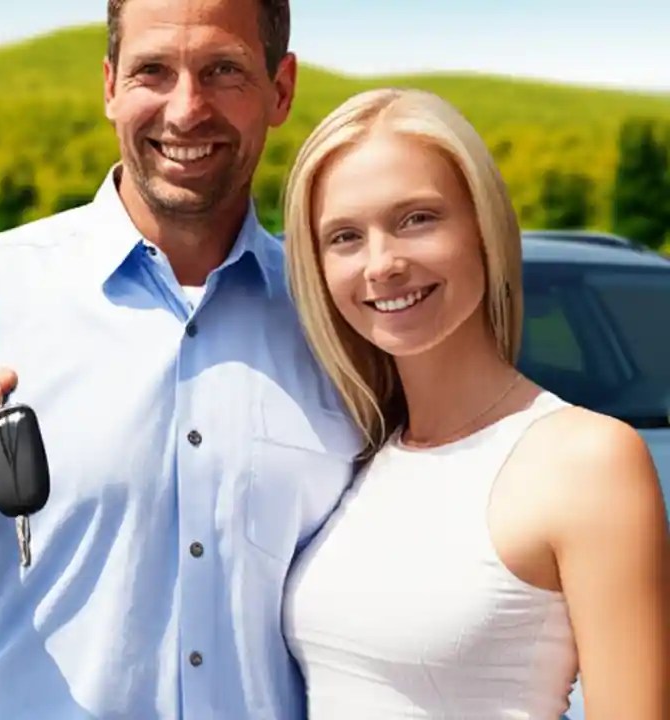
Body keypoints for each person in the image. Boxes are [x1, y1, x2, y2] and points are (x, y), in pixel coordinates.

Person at [0, 0, 361, 717]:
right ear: (109, 86)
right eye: (152, 72)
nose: (186, 109)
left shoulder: (338, 325)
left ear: (280, 89)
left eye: (223, 70)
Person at [280, 87, 670, 718]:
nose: (382, 264)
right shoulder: (352, 455)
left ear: (485, 227)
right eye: (346, 236)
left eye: (417, 219)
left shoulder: (585, 459)